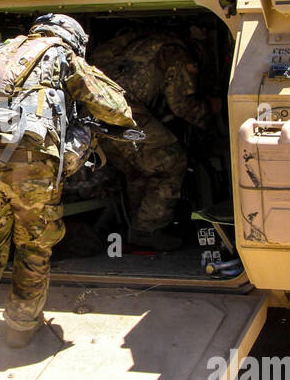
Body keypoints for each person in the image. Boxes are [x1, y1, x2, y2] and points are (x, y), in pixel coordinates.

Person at [0, 14, 135, 380]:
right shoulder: (60, 56)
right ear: (73, 40)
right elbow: (114, 108)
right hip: (29, 165)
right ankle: (21, 330)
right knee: (33, 245)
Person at [90, 27, 216, 250]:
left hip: (89, 113)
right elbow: (182, 105)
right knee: (171, 160)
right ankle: (148, 230)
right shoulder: (175, 52)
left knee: (139, 169)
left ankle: (136, 227)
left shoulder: (132, 41)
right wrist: (212, 116)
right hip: (121, 111)